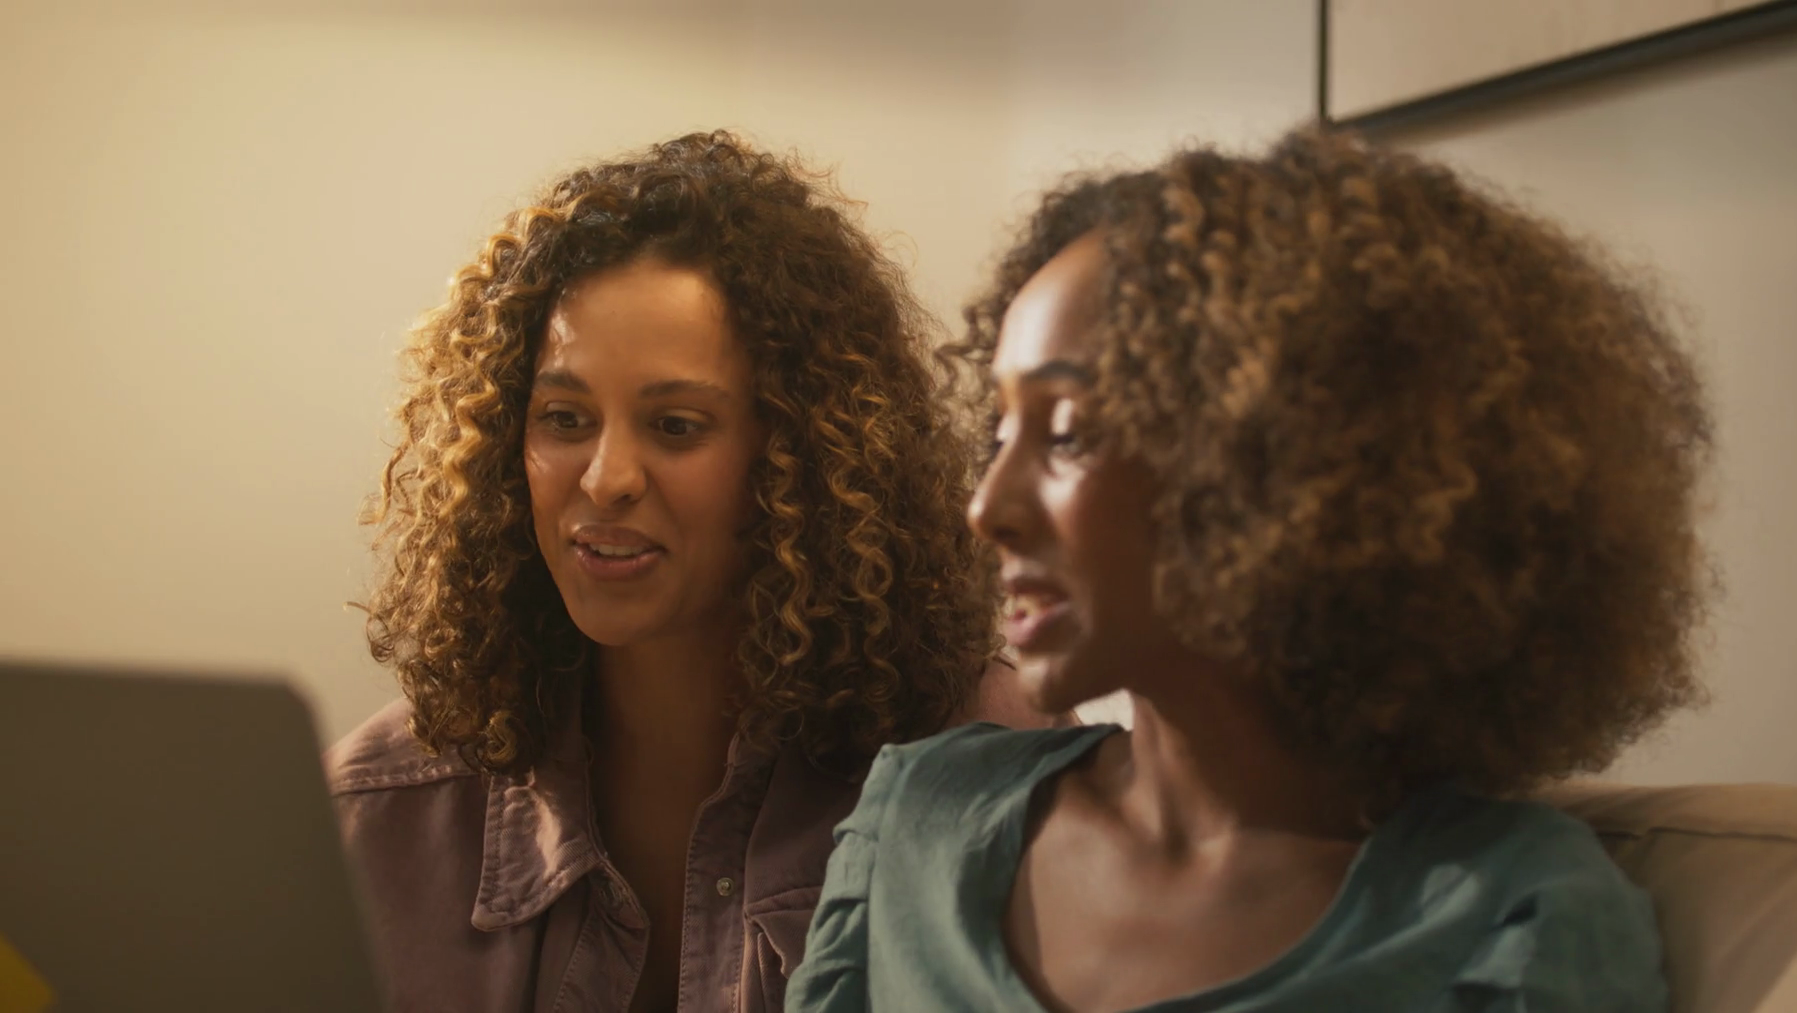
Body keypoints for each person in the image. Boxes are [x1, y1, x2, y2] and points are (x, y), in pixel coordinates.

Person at [788, 127, 1713, 1012]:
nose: (987, 506)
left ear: (1289, 468)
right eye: (998, 435)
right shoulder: (918, 818)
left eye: (1067, 433)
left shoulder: (1507, 921)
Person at [324, 131, 1053, 1013]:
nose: (606, 479)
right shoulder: (374, 813)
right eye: (564, 418)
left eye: (675, 426)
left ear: (799, 457)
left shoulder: (996, 772)